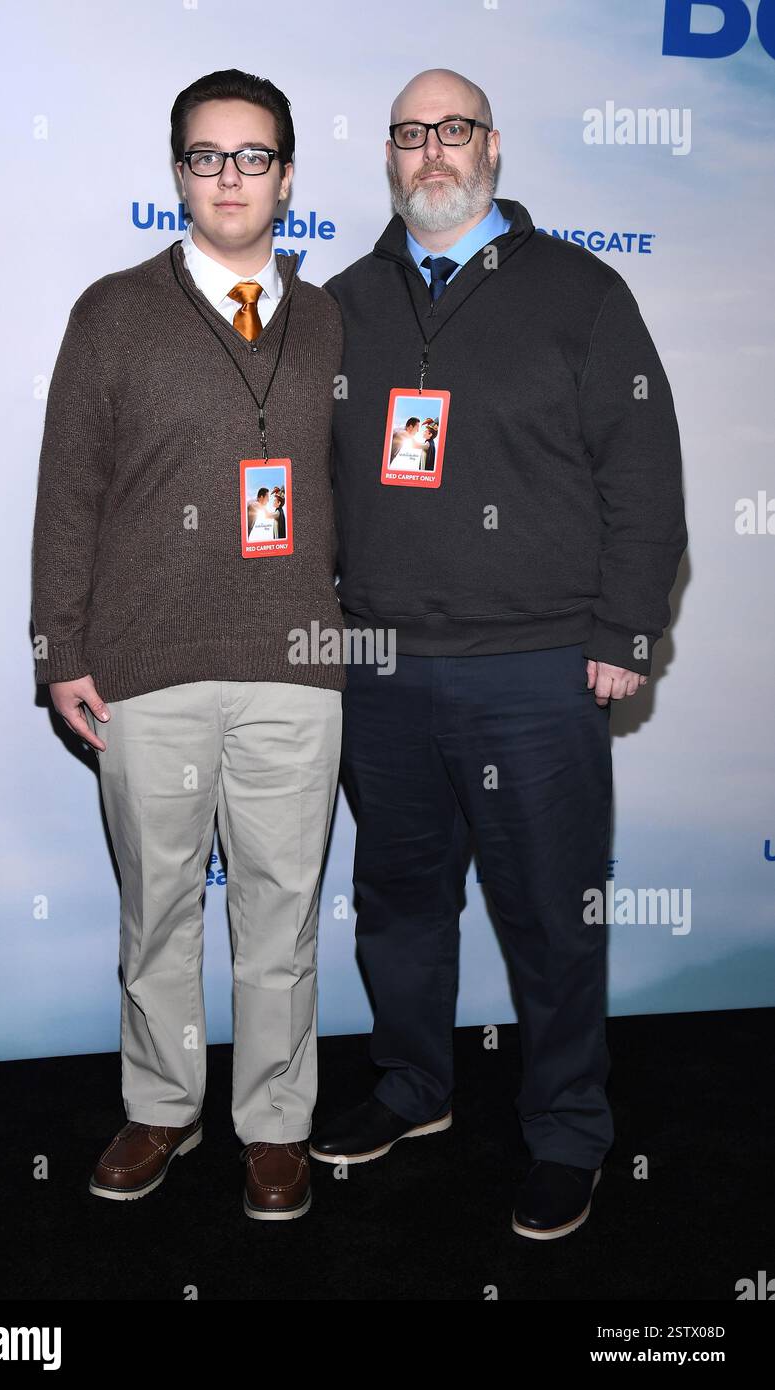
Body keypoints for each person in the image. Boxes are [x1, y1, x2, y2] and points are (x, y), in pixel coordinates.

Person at [311, 67, 687, 1240]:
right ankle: (414, 1087)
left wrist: (626, 629)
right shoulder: (339, 303)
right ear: (388, 154)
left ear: (493, 148)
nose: (433, 152)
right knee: (397, 902)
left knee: (549, 917)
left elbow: (644, 474)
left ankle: (567, 1129)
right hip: (379, 668)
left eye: (454, 130)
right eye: (412, 133)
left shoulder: (581, 292)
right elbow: (306, 490)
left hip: (535, 669)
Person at [31, 67, 345, 1220]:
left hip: (298, 666)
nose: (230, 176)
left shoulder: (333, 318)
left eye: (251, 155)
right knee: (158, 908)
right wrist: (60, 647)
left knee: (280, 913)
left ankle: (276, 1123)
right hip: (143, 665)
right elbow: (69, 490)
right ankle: (163, 1102)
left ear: (286, 176)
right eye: (207, 156)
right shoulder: (111, 311)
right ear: (177, 175)